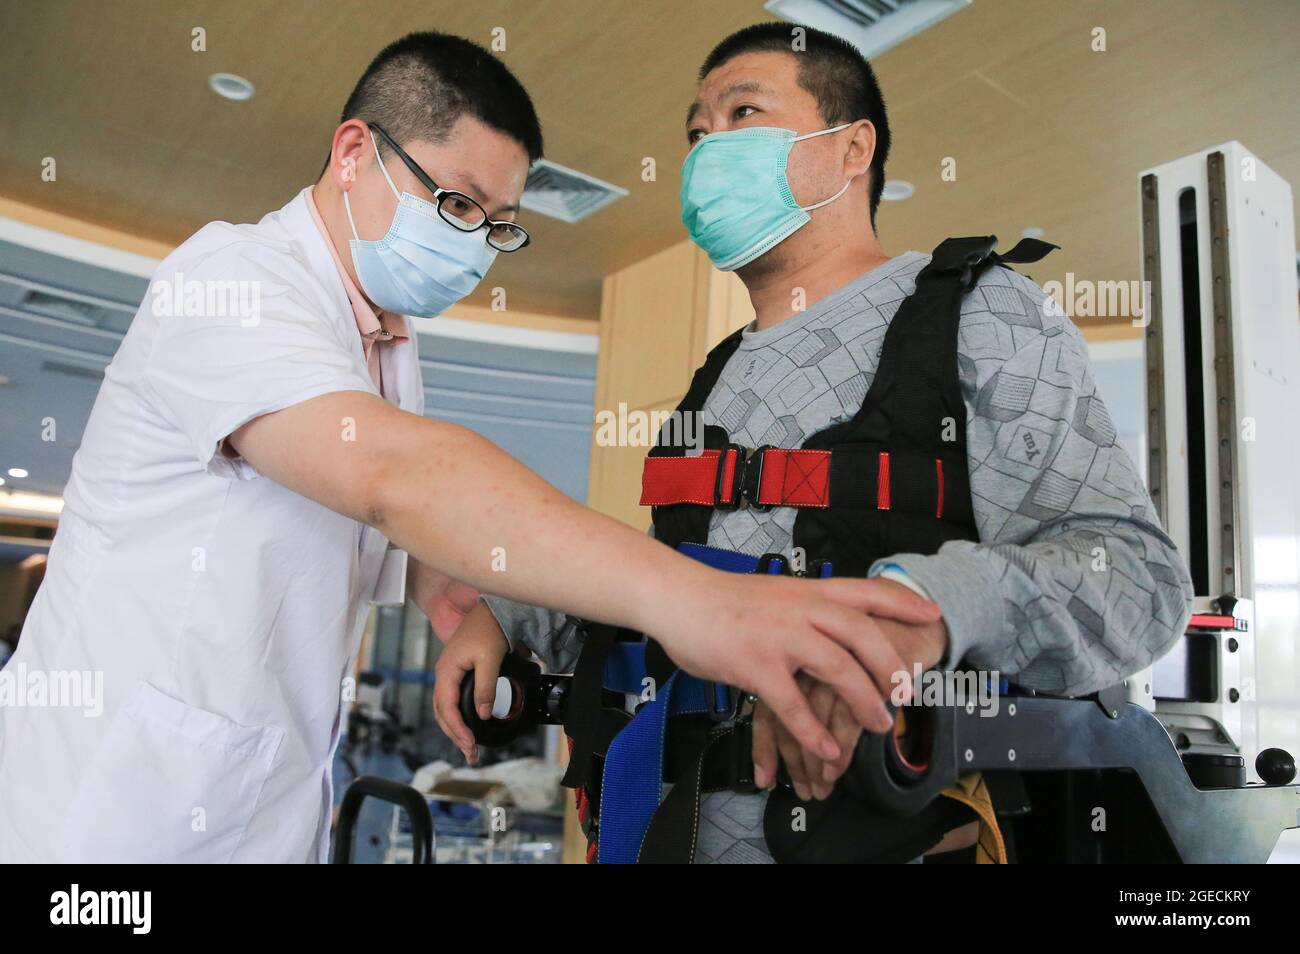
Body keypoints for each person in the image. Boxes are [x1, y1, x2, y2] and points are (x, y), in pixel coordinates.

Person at [0, 31, 940, 864]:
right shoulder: (231, 279)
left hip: (252, 813)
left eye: (498, 226)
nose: (477, 246)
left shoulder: (379, 339)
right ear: (354, 152)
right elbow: (393, 476)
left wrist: (491, 606)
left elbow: (405, 552)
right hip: (100, 823)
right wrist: (701, 602)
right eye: (457, 205)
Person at [433, 22, 1193, 863]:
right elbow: (677, 605)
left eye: (742, 113)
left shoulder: (980, 314)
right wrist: (512, 612)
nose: (706, 150)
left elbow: (1137, 581)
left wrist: (920, 613)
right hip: (663, 829)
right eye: (695, 132)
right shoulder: (715, 377)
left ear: (850, 148)